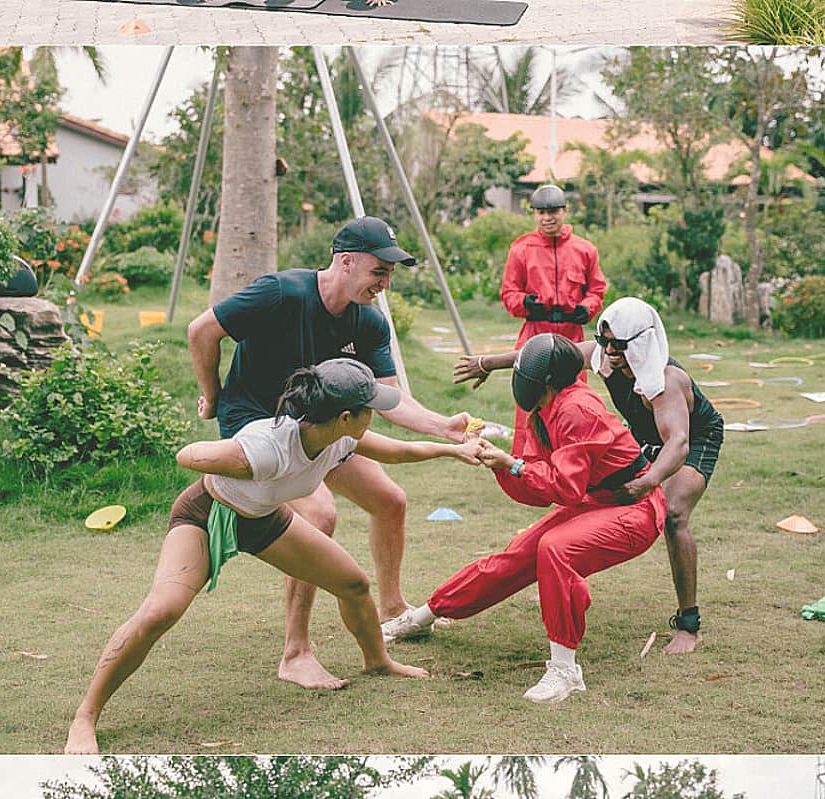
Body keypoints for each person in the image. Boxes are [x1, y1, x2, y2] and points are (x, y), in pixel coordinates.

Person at [65, 359, 483, 754]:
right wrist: (239, 461)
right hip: (207, 515)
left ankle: (378, 661)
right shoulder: (267, 447)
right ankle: (86, 715)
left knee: (352, 584)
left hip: (265, 520)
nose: (374, 416)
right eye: (369, 409)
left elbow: (395, 451)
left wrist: (452, 450)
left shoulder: (340, 439)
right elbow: (186, 455)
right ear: (344, 417)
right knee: (161, 611)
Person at [187, 215, 471, 690]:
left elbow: (391, 397)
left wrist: (446, 427)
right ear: (345, 261)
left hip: (319, 425)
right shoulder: (281, 293)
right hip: (259, 422)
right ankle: (295, 653)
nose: (385, 283)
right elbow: (202, 330)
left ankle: (393, 609)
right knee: (319, 514)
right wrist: (213, 396)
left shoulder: (369, 321)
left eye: (390, 273)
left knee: (390, 501)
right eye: (379, 271)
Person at [384, 334, 666, 703]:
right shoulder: (544, 412)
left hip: (635, 509)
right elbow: (535, 490)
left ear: (544, 380)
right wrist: (501, 465)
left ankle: (565, 671)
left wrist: (513, 465)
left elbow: (564, 488)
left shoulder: (576, 408)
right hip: (596, 501)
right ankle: (422, 618)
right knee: (517, 556)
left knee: (556, 549)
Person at [452, 297, 723, 654]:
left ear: (640, 342)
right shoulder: (604, 353)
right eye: (605, 340)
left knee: (672, 515)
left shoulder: (667, 380)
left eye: (619, 345)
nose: (609, 350)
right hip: (644, 436)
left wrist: (647, 481)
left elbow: (678, 444)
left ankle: (689, 625)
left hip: (692, 437)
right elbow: (543, 359)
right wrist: (487, 363)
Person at [499, 184, 607, 455]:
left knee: (575, 398)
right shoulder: (521, 250)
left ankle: (574, 457)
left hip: (571, 336)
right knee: (530, 398)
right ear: (534, 214)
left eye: (554, 211)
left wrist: (587, 307)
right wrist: (524, 303)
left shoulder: (585, 250)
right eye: (542, 212)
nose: (548, 218)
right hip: (535, 332)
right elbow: (508, 293)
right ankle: (527, 464)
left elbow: (597, 289)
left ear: (565, 211)